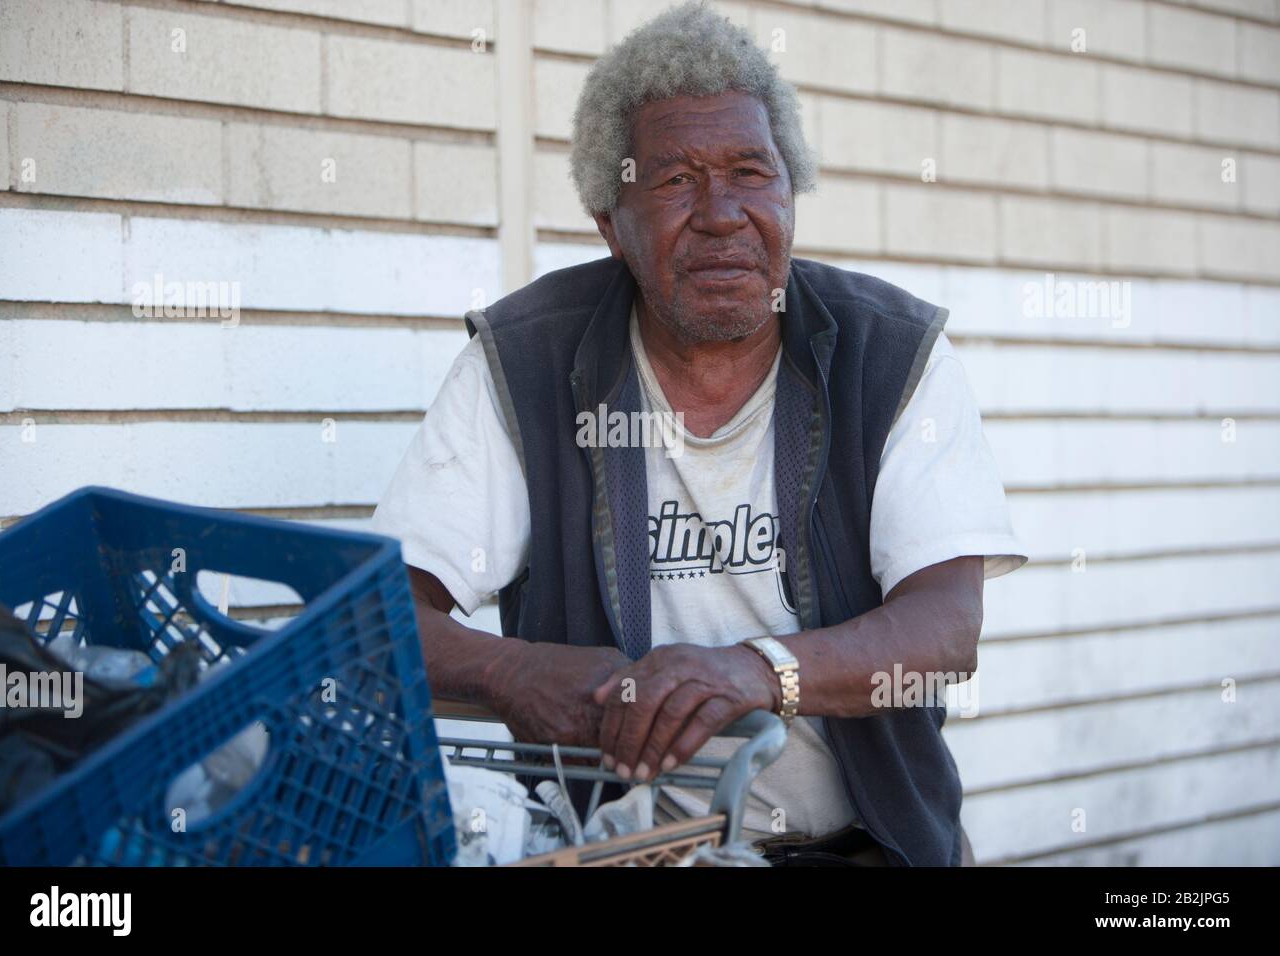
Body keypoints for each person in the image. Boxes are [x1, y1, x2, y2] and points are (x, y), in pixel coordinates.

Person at [374, 1, 1026, 866]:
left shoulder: (889, 351)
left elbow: (945, 631)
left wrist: (759, 671)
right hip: (613, 849)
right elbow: (379, 618)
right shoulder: (526, 360)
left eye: (752, 172)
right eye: (676, 180)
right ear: (611, 224)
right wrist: (510, 671)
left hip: (863, 845)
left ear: (790, 195)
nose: (722, 213)